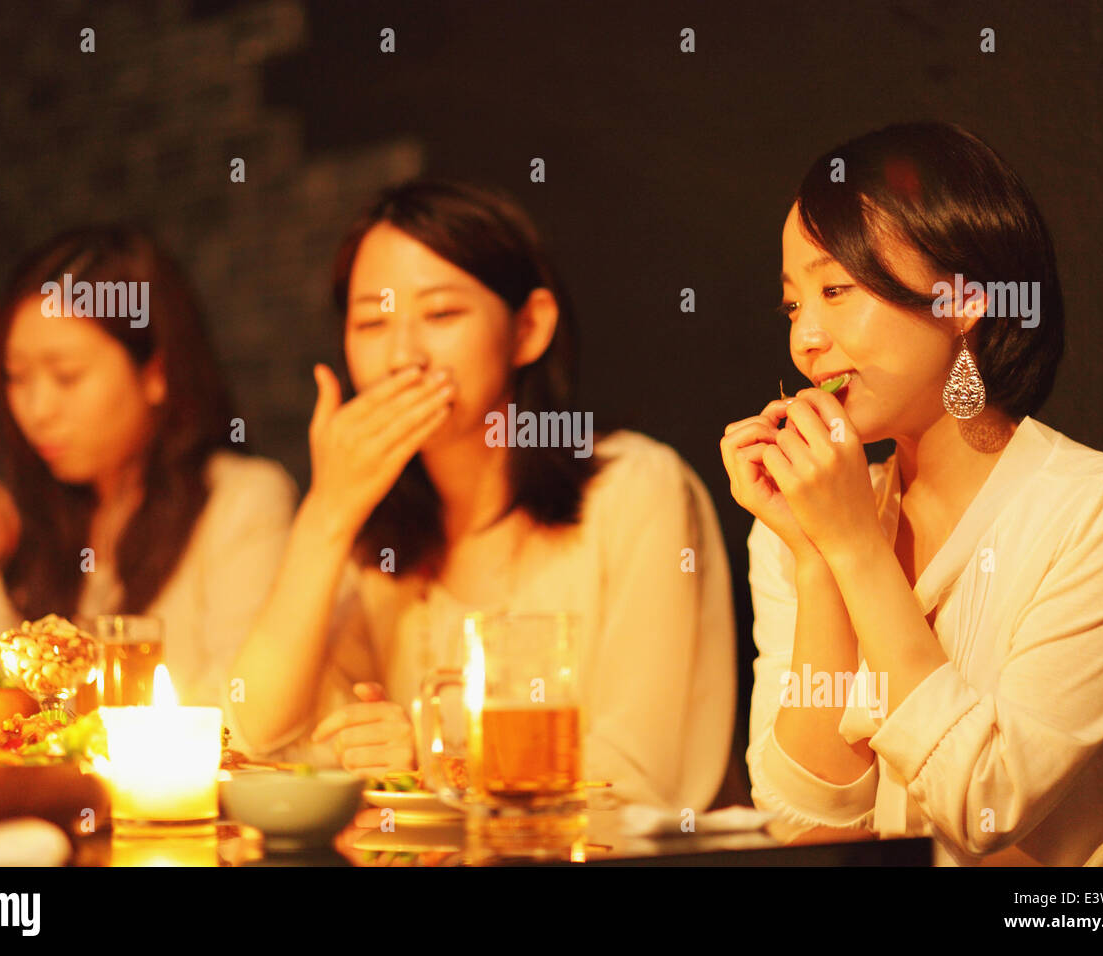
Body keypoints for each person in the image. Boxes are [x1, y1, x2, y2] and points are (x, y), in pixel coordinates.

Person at [721, 121, 1103, 865]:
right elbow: (805, 819)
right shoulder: (801, 521)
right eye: (793, 306)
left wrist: (853, 547)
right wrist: (816, 559)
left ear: (964, 301)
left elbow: (987, 804)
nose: (806, 339)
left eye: (835, 289)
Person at [230, 180, 735, 810]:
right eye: (372, 322)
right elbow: (259, 739)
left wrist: (436, 757)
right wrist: (325, 517)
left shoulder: (637, 489)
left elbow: (643, 777)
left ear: (529, 327)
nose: (403, 356)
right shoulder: (373, 536)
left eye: (441, 314)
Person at [0, 226, 296, 728]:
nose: (37, 409)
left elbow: (246, 723)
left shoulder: (239, 503)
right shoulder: (38, 527)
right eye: (17, 377)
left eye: (66, 376)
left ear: (155, 373)